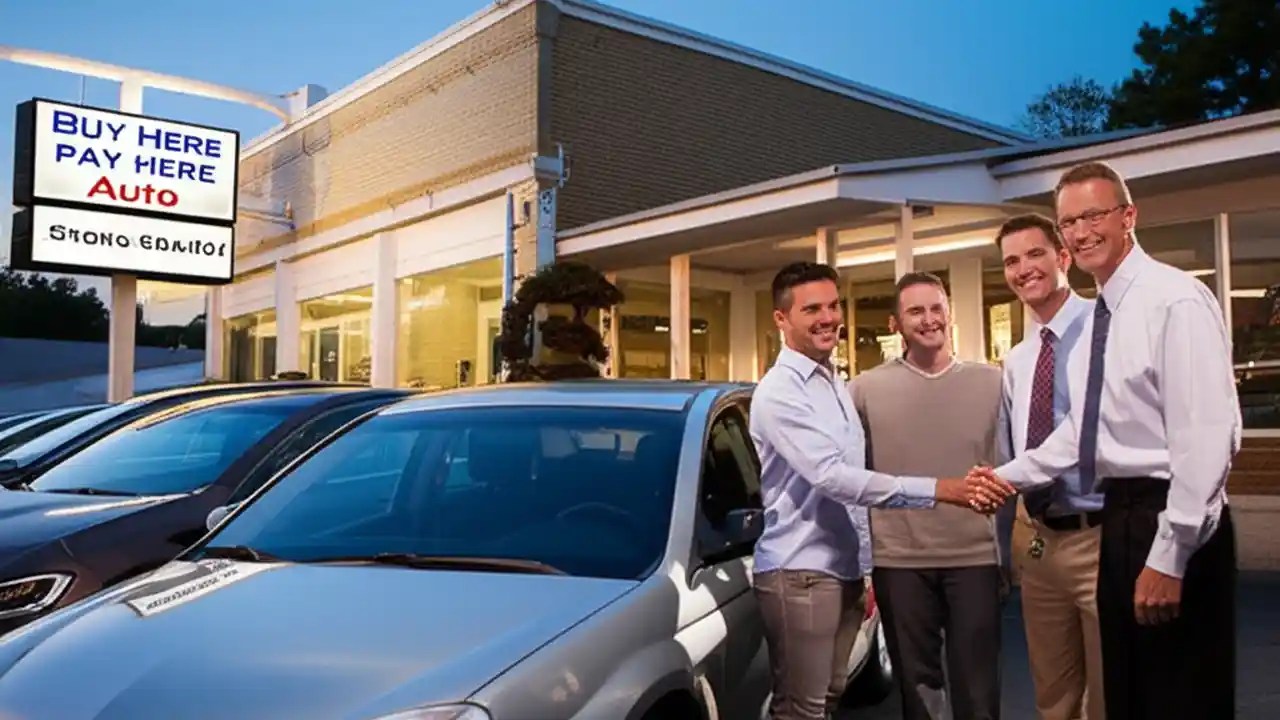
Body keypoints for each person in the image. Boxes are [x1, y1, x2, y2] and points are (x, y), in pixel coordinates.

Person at [970, 161, 1240, 719]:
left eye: (1094, 215)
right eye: (1069, 221)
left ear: (1129, 217)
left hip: (1167, 516)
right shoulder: (1109, 312)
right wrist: (1003, 478)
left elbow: (1208, 438)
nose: (1082, 230)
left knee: (1179, 696)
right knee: (1128, 696)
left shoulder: (1174, 300)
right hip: (1123, 515)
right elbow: (1083, 433)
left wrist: (1171, 552)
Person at [749, 261, 978, 720]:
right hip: (800, 573)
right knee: (801, 711)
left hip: (843, 571)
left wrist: (865, 568)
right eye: (812, 308)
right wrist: (939, 489)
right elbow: (833, 477)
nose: (828, 317)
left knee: (829, 701)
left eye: (833, 305)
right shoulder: (779, 392)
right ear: (781, 319)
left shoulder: (833, 381)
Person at [849, 271, 1006, 720]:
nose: (929, 319)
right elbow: (851, 478)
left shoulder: (992, 383)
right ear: (896, 322)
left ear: (950, 315)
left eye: (937, 308)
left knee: (978, 689)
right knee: (918, 691)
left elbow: (1012, 466)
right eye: (916, 311)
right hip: (899, 560)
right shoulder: (864, 389)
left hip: (974, 556)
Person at [994, 213, 1105, 719]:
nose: (1023, 269)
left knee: (1111, 692)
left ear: (1063, 256)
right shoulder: (1017, 359)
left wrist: (1000, 479)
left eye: (1034, 254)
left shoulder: (1104, 328)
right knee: (1053, 695)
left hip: (1098, 537)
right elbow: (1018, 445)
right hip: (1037, 539)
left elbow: (1085, 433)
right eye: (1011, 261)